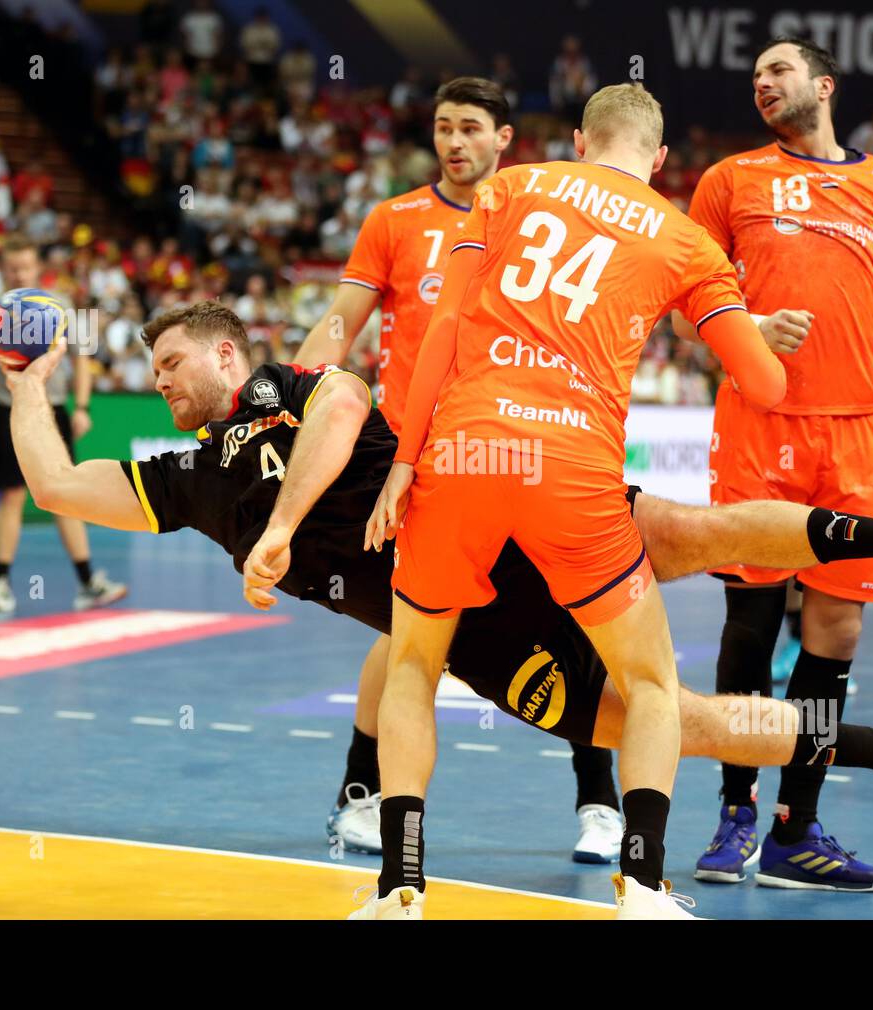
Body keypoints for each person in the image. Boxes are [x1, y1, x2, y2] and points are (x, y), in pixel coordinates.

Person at [5, 301, 873, 918]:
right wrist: (26, 386)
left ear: (227, 354)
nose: (160, 379)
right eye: (153, 368)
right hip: (471, 626)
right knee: (684, 725)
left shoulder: (282, 391)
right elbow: (52, 482)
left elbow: (349, 404)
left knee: (699, 532)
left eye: (173, 360)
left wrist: (280, 529)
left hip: (501, 525)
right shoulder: (181, 480)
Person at [361, 83, 827, 918]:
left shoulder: (509, 186)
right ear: (658, 160)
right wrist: (753, 328)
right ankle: (642, 887)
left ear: (580, 141)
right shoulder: (685, 241)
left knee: (411, 667)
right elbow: (764, 384)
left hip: (463, 449)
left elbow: (443, 327)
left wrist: (403, 462)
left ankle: (400, 885)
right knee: (648, 684)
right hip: (572, 468)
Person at [295, 77, 625, 864]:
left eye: (471, 128)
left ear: (504, 138)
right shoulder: (396, 220)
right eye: (443, 128)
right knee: (404, 629)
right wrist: (298, 391)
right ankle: (359, 795)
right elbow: (338, 325)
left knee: (575, 615)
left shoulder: (538, 217)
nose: (454, 142)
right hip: (415, 463)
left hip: (524, 451)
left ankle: (598, 803)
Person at [675, 37, 873, 891]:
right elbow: (684, 296)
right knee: (752, 618)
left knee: (834, 632)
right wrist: (743, 333)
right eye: (756, 77)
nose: (763, 84)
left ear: (823, 84)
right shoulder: (729, 181)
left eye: (779, 71)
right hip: (759, 422)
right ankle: (735, 807)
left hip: (858, 434)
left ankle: (794, 827)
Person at [0, 236, 127, 614]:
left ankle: (88, 582)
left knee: (66, 494)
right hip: (6, 407)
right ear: (2, 269)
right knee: (11, 495)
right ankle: (1, 585)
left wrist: (83, 407)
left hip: (53, 408)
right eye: (10, 268)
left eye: (24, 267)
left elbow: (84, 361)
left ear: (37, 267)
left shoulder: (65, 305)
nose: (17, 273)